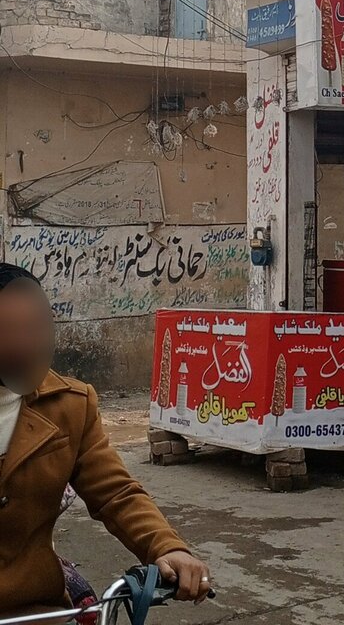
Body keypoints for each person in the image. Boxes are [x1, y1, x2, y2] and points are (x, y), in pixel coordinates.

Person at [0, 263, 212, 617]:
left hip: (35, 610)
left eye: (34, 328)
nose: (25, 343)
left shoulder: (70, 405)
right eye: (9, 330)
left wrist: (166, 546)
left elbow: (116, 493)